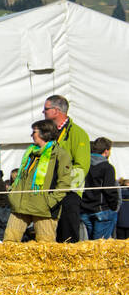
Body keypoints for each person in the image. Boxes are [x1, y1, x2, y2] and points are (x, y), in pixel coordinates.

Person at [4, 119, 72, 242]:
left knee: (44, 248)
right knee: (9, 243)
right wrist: (12, 192)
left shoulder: (60, 155)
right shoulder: (30, 153)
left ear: (44, 133)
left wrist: (50, 202)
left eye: (34, 132)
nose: (31, 135)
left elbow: (64, 183)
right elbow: (21, 176)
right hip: (20, 206)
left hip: (43, 210)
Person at [43, 96, 89, 242]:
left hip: (68, 193)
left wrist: (61, 185)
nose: (43, 112)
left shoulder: (77, 133)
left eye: (46, 109)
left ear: (56, 111)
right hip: (47, 194)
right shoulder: (46, 134)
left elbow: (81, 167)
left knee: (68, 235)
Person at [79, 137, 119, 240]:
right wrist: (114, 207)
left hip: (85, 210)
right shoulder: (107, 167)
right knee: (99, 247)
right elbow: (109, 190)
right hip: (102, 211)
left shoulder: (84, 165)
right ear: (106, 151)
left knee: (91, 245)